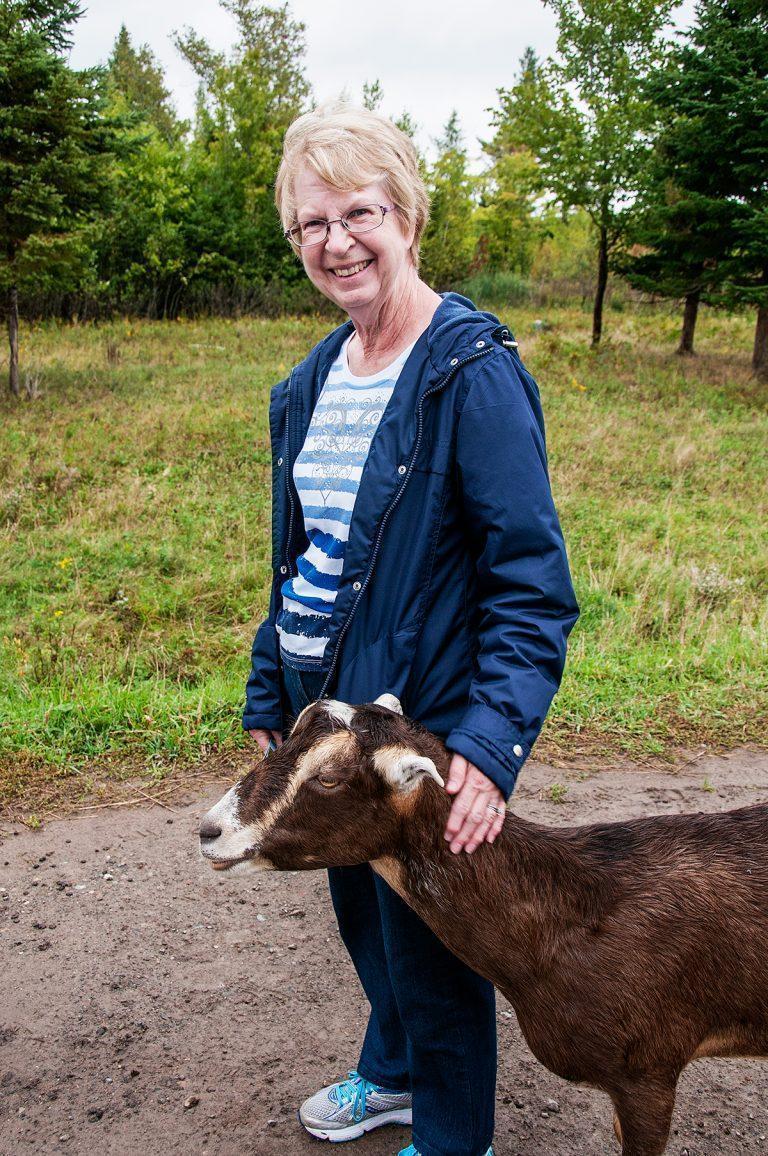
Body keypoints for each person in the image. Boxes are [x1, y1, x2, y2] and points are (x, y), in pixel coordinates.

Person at [242, 101, 579, 1156]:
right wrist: (271, 693)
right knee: (362, 917)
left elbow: (530, 582)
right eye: (311, 223)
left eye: (359, 213)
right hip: (327, 722)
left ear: (408, 216)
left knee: (434, 946)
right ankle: (391, 1077)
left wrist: (489, 743)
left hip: (418, 728)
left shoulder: (469, 373)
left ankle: (452, 1135)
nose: (335, 240)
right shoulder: (313, 380)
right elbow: (304, 560)